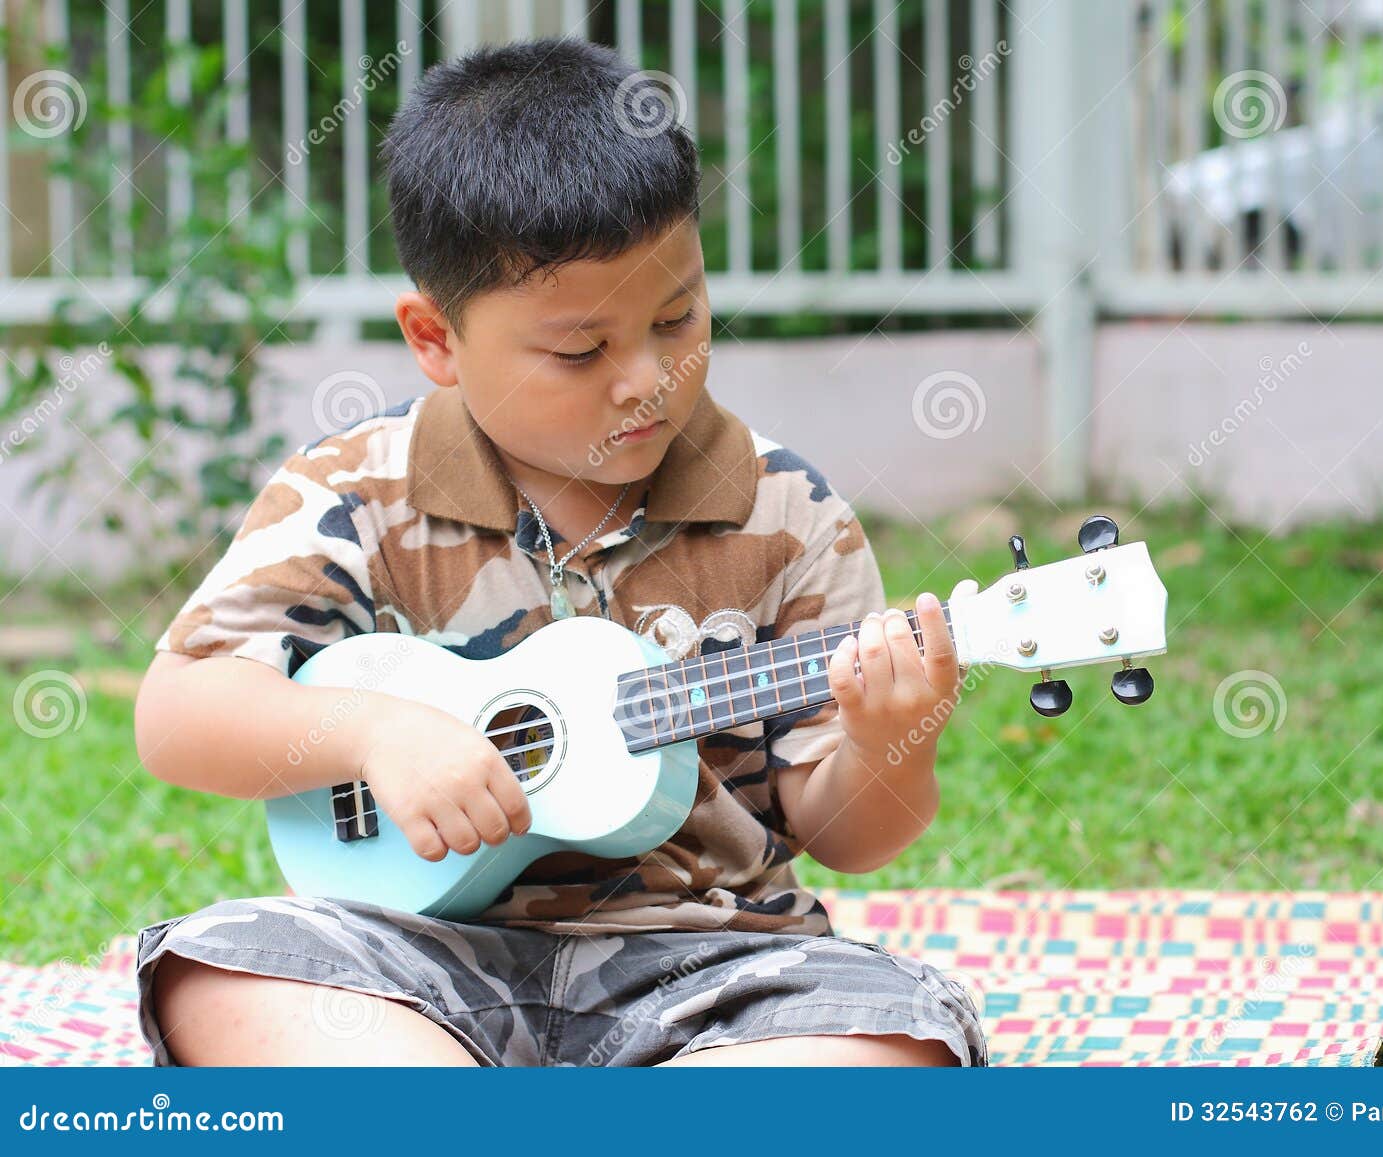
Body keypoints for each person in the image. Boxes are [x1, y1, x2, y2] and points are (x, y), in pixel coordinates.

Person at [130, 38, 986, 1067]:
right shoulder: (352, 492)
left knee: (893, 1028)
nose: (646, 379)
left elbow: (849, 835)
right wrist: (376, 734)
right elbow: (177, 714)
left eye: (678, 318)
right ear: (435, 339)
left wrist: (892, 741)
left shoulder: (787, 511)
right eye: (581, 350)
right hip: (414, 964)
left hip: (713, 969)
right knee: (219, 967)